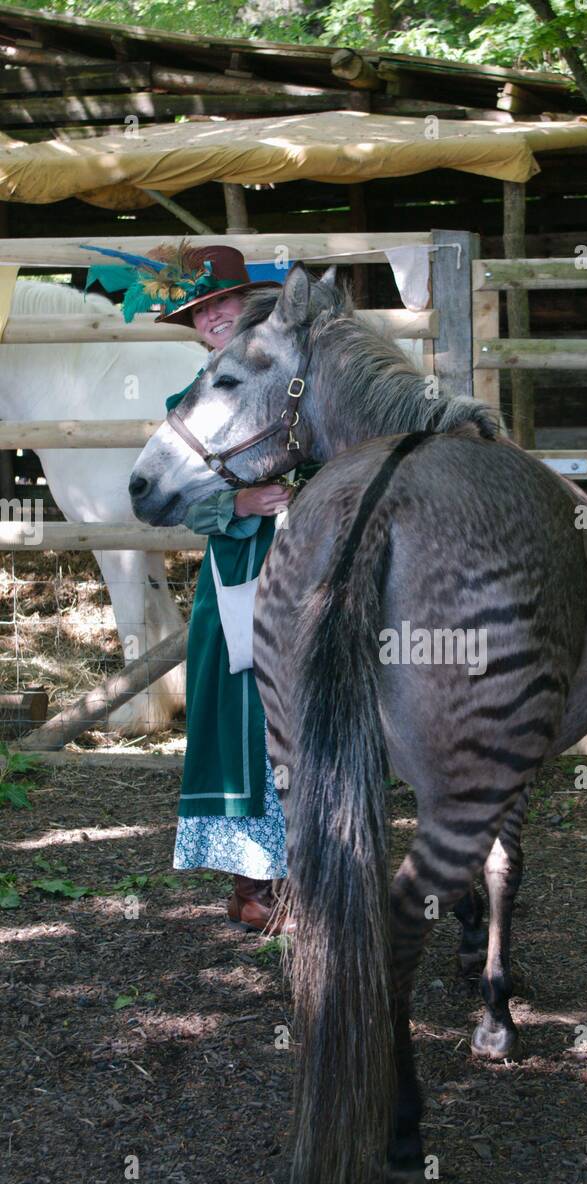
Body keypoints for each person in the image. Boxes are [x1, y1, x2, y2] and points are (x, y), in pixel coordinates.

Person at [104, 242, 310, 931]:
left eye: (221, 301)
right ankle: (254, 884)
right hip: (239, 579)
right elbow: (170, 504)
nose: (213, 317)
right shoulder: (186, 407)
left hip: (310, 567)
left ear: (248, 305)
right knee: (244, 721)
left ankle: (316, 870)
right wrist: (240, 507)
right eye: (200, 310)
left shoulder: (292, 382)